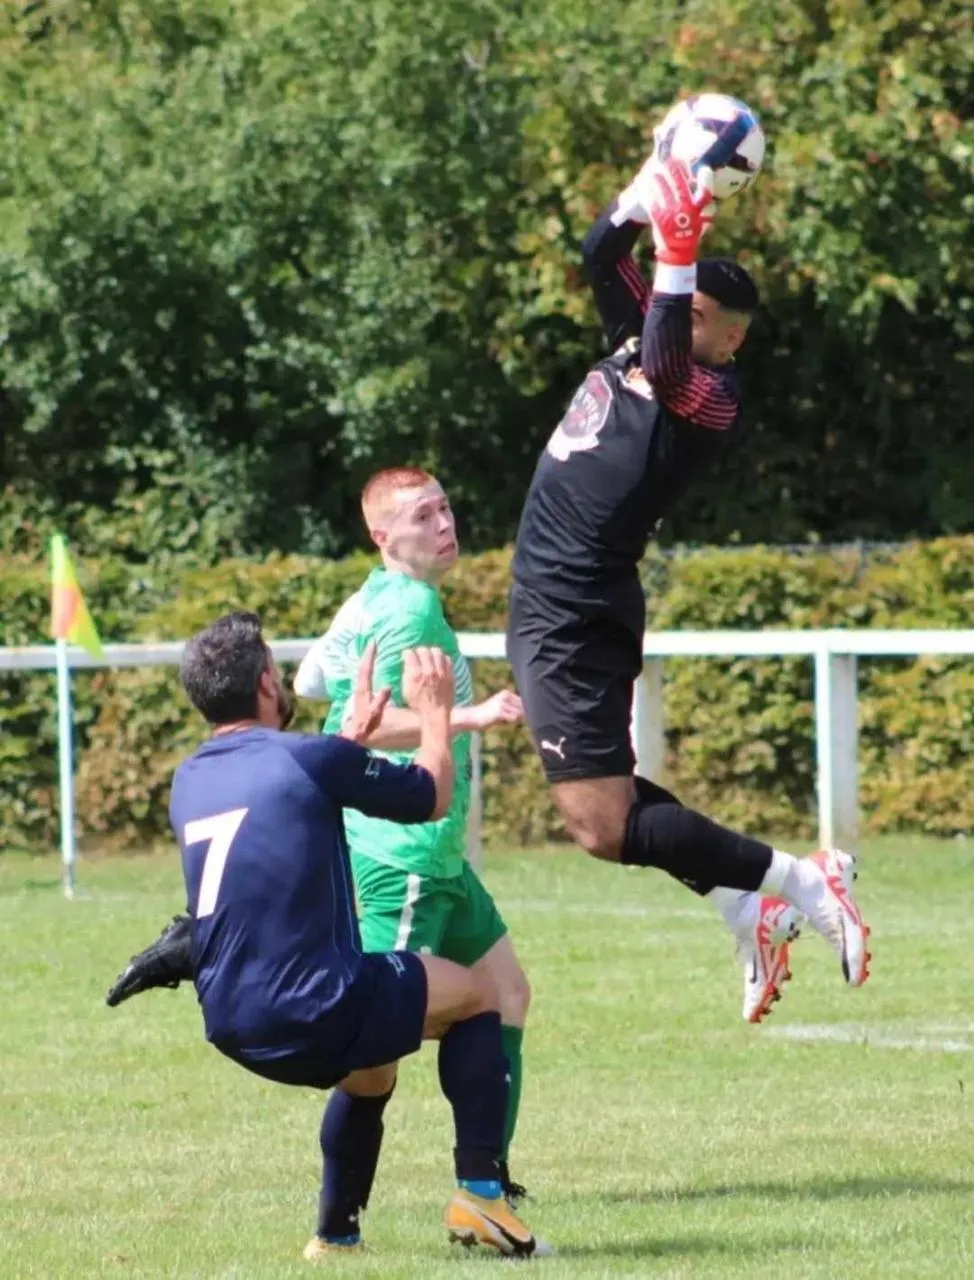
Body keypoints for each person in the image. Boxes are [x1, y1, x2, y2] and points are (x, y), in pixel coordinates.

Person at [107, 469, 539, 1236]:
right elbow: (420, 782)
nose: (444, 521)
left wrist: (351, 733)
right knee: (412, 1040)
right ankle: (460, 1198)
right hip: (395, 869)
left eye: (446, 504)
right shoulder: (400, 612)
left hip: (249, 997)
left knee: (501, 992)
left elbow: (315, 711)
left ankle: (407, 1209)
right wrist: (449, 715)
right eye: (424, 513)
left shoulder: (191, 778)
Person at [506, 138, 871, 1022]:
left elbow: (668, 364)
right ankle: (743, 905)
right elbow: (602, 257)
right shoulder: (650, 335)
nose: (669, 313)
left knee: (600, 828)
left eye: (688, 307)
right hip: (549, 603)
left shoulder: (710, 396)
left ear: (723, 332)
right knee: (612, 807)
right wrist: (644, 198)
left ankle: (799, 881)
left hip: (577, 608)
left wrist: (675, 251)